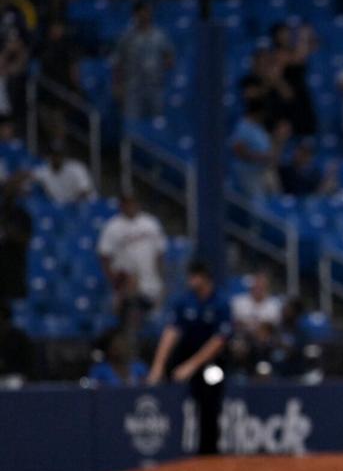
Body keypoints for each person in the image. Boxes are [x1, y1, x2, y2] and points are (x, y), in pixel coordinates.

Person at [147, 260, 232, 456]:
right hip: (185, 353)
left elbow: (218, 341)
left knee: (209, 399)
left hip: (210, 362)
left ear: (205, 278)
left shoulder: (220, 302)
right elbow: (171, 333)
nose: (191, 280)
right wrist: (158, 366)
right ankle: (166, 450)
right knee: (166, 384)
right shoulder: (184, 301)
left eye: (195, 276)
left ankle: (208, 452)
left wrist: (191, 366)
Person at [97, 192, 168, 319]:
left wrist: (161, 276)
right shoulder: (112, 226)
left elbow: (160, 252)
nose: (130, 206)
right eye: (126, 203)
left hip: (150, 279)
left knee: (153, 316)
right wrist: (114, 281)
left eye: (132, 202)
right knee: (127, 316)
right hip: (126, 282)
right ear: (121, 205)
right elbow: (104, 256)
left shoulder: (151, 223)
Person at [112, 1, 174, 121]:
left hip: (155, 87)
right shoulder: (127, 37)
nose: (144, 15)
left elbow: (169, 58)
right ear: (135, 15)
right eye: (141, 13)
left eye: (147, 12)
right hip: (133, 89)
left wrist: (161, 66)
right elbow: (118, 64)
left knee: (156, 123)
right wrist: (117, 85)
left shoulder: (159, 36)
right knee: (132, 124)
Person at [230, 99, 290, 203]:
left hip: (264, 171)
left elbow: (270, 151)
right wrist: (260, 157)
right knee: (258, 206)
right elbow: (237, 149)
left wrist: (279, 140)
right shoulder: (243, 126)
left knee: (276, 202)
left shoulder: (259, 127)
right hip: (249, 173)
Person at [32, 145, 96, 204]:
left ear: (64, 156)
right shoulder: (45, 170)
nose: (57, 158)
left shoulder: (76, 168)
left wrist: (73, 203)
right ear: (49, 156)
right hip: (64, 206)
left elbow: (86, 190)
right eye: (54, 155)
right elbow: (29, 175)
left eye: (59, 155)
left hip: (87, 203)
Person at [0, 186, 30, 306]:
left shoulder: (22, 215)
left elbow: (25, 239)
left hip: (14, 274)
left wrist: (7, 229)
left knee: (15, 311)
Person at [230, 270, 282, 337]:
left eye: (262, 286)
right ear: (252, 286)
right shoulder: (238, 301)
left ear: (267, 287)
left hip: (265, 339)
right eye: (257, 285)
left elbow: (271, 326)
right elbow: (235, 323)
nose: (258, 289)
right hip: (242, 336)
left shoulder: (274, 304)